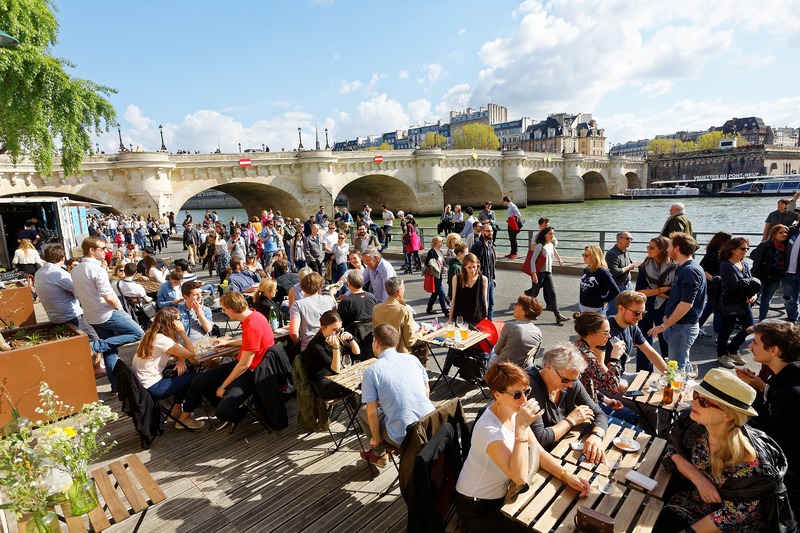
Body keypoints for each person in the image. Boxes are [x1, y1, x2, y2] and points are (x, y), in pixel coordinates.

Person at [455, 361, 590, 533]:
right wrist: (521, 428)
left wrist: (566, 476)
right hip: (479, 507)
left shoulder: (513, 410)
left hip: (505, 495)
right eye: (517, 394)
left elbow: (538, 451)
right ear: (497, 395)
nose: (524, 400)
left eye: (526, 391)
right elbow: (519, 477)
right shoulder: (488, 429)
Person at [653, 369, 788, 533]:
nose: (693, 403)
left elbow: (733, 515)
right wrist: (698, 478)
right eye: (696, 395)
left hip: (734, 525)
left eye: (704, 402)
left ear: (728, 415)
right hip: (694, 502)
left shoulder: (749, 459)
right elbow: (672, 448)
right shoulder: (697, 427)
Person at [737, 320, 800, 517]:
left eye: (755, 342)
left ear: (773, 350)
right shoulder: (782, 378)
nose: (750, 346)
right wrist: (759, 388)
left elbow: (776, 443)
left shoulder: (789, 393)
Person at [71, 236, 145, 391]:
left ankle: (116, 385)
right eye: (102, 248)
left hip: (92, 315)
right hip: (107, 312)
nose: (106, 251)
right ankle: (95, 345)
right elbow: (108, 296)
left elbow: (77, 293)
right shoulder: (97, 269)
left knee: (110, 351)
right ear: (91, 250)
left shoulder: (76, 269)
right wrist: (120, 308)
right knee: (138, 333)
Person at [358, 323, 436, 467]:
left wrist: (376, 438)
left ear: (375, 342)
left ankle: (379, 454)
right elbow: (426, 392)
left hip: (404, 436)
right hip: (431, 425)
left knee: (362, 411)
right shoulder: (413, 359)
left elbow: (372, 412)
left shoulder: (372, 371)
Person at [190, 291, 274, 425]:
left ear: (232, 309)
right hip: (243, 365)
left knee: (222, 413)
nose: (224, 313)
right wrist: (227, 342)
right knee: (198, 381)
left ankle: (239, 411)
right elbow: (249, 341)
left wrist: (223, 385)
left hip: (252, 372)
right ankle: (225, 403)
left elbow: (244, 365)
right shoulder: (254, 315)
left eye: (224, 309)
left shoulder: (252, 325)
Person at [35, 245, 109, 376]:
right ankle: (97, 368)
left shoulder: (40, 272)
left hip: (54, 316)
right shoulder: (59, 273)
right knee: (96, 339)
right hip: (71, 315)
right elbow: (77, 292)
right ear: (63, 258)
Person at [527, 344, 608, 462]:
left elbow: (599, 414)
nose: (570, 385)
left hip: (565, 447)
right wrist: (571, 420)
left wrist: (596, 436)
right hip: (542, 457)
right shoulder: (530, 388)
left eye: (575, 379)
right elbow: (540, 438)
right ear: (548, 366)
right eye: (565, 380)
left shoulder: (571, 380)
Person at [132, 308, 205, 429]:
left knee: (185, 370)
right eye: (178, 319)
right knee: (198, 379)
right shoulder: (163, 340)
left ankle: (176, 411)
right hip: (153, 387)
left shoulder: (151, 334)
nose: (180, 322)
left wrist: (181, 360)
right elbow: (191, 354)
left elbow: (178, 351)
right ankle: (185, 419)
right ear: (171, 323)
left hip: (141, 385)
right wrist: (182, 332)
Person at [648, 232, 706, 370]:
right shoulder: (685, 268)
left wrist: (664, 325)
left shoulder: (690, 271)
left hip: (682, 328)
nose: (667, 249)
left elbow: (686, 304)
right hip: (679, 327)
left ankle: (680, 390)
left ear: (677, 248)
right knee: (681, 363)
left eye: (669, 246)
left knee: (678, 367)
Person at [573, 312, 639, 425]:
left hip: (591, 402)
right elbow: (612, 387)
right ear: (592, 333)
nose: (609, 336)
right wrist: (615, 358)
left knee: (631, 416)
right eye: (606, 332)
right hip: (585, 411)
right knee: (633, 424)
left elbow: (586, 385)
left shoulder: (580, 346)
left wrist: (605, 399)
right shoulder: (586, 356)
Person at [715, 237, 759, 369]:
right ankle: (722, 354)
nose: (745, 251)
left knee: (750, 326)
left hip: (745, 301)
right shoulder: (726, 265)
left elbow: (750, 282)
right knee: (727, 329)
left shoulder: (744, 264)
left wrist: (754, 295)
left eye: (747, 248)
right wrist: (748, 295)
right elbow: (734, 285)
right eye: (742, 248)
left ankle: (732, 349)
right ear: (732, 249)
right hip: (731, 301)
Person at [634, 236, 677, 369]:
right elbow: (639, 291)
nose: (648, 249)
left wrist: (652, 290)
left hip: (665, 308)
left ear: (662, 249)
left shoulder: (675, 267)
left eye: (651, 247)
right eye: (648, 247)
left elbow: (674, 294)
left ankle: (668, 374)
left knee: (666, 343)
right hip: (646, 306)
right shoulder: (645, 266)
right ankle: (643, 374)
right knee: (643, 341)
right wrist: (662, 289)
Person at [301, 310, 360, 401]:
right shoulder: (316, 345)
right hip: (324, 384)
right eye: (334, 330)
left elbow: (357, 353)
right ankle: (361, 411)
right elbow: (335, 370)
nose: (337, 333)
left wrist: (351, 339)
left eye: (339, 329)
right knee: (362, 384)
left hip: (337, 378)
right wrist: (336, 348)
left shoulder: (336, 336)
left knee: (366, 380)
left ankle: (359, 411)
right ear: (323, 328)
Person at [486, 295, 542, 371]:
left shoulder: (510, 326)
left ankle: (486, 372)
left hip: (501, 369)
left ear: (525, 311)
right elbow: (533, 355)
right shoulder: (538, 332)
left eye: (517, 304)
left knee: (493, 349)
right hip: (521, 370)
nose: (514, 307)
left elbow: (497, 351)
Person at [528, 226, 569, 323]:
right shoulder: (539, 246)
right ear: (545, 234)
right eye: (550, 234)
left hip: (548, 272)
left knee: (552, 292)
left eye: (553, 234)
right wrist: (534, 274)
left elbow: (554, 251)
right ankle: (528, 312)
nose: (552, 235)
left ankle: (557, 315)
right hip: (539, 273)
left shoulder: (550, 245)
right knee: (534, 293)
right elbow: (532, 261)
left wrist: (559, 259)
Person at [289, 272, 337, 351]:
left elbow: (293, 332)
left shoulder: (297, 305)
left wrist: (298, 342)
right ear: (319, 287)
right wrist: (331, 295)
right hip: (330, 343)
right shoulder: (329, 299)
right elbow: (335, 310)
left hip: (309, 347)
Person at [372, 277, 421, 354]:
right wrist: (420, 334)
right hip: (400, 353)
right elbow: (410, 340)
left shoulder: (376, 308)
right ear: (399, 292)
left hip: (381, 352)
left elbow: (376, 332)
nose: (404, 290)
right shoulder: (404, 310)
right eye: (404, 288)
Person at [751, 224, 789, 322]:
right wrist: (756, 279)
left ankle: (762, 321)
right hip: (761, 277)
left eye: (786, 232)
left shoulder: (786, 247)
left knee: (766, 301)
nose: (784, 234)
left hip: (775, 278)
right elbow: (757, 264)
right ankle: (745, 320)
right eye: (780, 232)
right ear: (773, 234)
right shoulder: (764, 246)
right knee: (752, 299)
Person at [698, 231, 732, 337]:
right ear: (722, 242)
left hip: (717, 283)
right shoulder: (711, 254)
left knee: (711, 306)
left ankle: (697, 326)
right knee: (716, 306)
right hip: (714, 284)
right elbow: (702, 268)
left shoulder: (721, 253)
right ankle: (718, 333)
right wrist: (713, 279)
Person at [449, 253, 488, 325]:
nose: (472, 270)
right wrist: (450, 319)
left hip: (477, 318)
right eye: (469, 267)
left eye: (474, 267)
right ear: (464, 267)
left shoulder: (483, 279)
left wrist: (486, 318)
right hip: (460, 318)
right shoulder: (456, 278)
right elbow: (453, 299)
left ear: (478, 265)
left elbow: (484, 301)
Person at [579, 244, 619, 313]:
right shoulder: (586, 269)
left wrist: (604, 300)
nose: (584, 257)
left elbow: (615, 290)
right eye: (583, 255)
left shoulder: (602, 272)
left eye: (586, 255)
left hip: (595, 309)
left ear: (595, 256)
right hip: (582, 307)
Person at [605, 231, 636, 316]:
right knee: (614, 312)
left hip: (628, 285)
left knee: (627, 310)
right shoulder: (612, 253)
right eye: (627, 238)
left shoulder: (625, 251)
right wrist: (629, 267)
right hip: (617, 287)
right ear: (619, 239)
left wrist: (631, 264)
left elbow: (627, 263)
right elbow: (614, 272)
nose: (629, 241)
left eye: (631, 239)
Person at [471, 222, 497, 319]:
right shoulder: (478, 246)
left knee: (491, 304)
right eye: (487, 231)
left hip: (489, 280)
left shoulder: (489, 244)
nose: (490, 233)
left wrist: (493, 278)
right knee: (483, 305)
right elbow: (473, 265)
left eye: (491, 231)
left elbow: (491, 264)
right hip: (481, 281)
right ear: (482, 232)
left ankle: (489, 324)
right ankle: (483, 325)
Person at [423, 235, 449, 316]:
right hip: (434, 274)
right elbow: (426, 263)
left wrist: (444, 267)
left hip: (439, 274)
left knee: (436, 292)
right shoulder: (431, 252)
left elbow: (443, 262)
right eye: (440, 241)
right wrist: (435, 262)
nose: (442, 243)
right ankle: (445, 310)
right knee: (442, 293)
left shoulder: (439, 251)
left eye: (442, 241)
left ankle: (429, 308)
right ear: (435, 242)